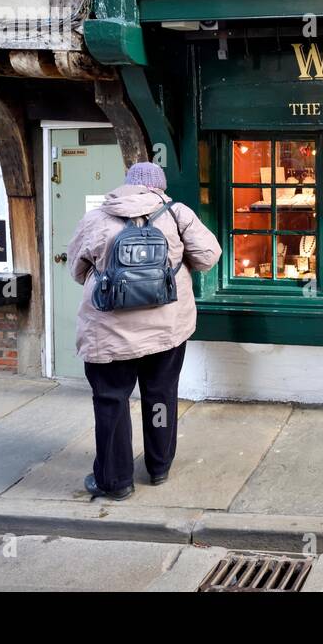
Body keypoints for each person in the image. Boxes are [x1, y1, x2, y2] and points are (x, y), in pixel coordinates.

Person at [67, 162, 222, 500]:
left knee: (111, 401)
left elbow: (77, 269)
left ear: (128, 185)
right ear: (160, 188)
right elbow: (209, 256)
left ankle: (116, 481)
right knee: (160, 395)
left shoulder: (97, 218)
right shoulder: (177, 213)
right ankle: (159, 466)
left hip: (108, 331)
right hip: (166, 327)